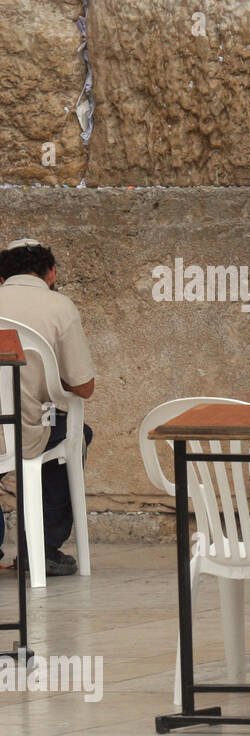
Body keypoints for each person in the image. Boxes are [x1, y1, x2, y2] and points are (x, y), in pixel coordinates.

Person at [0, 239, 95, 577]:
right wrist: (52, 378)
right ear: (51, 273)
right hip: (28, 430)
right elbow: (84, 387)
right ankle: (42, 547)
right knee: (74, 433)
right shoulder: (59, 307)